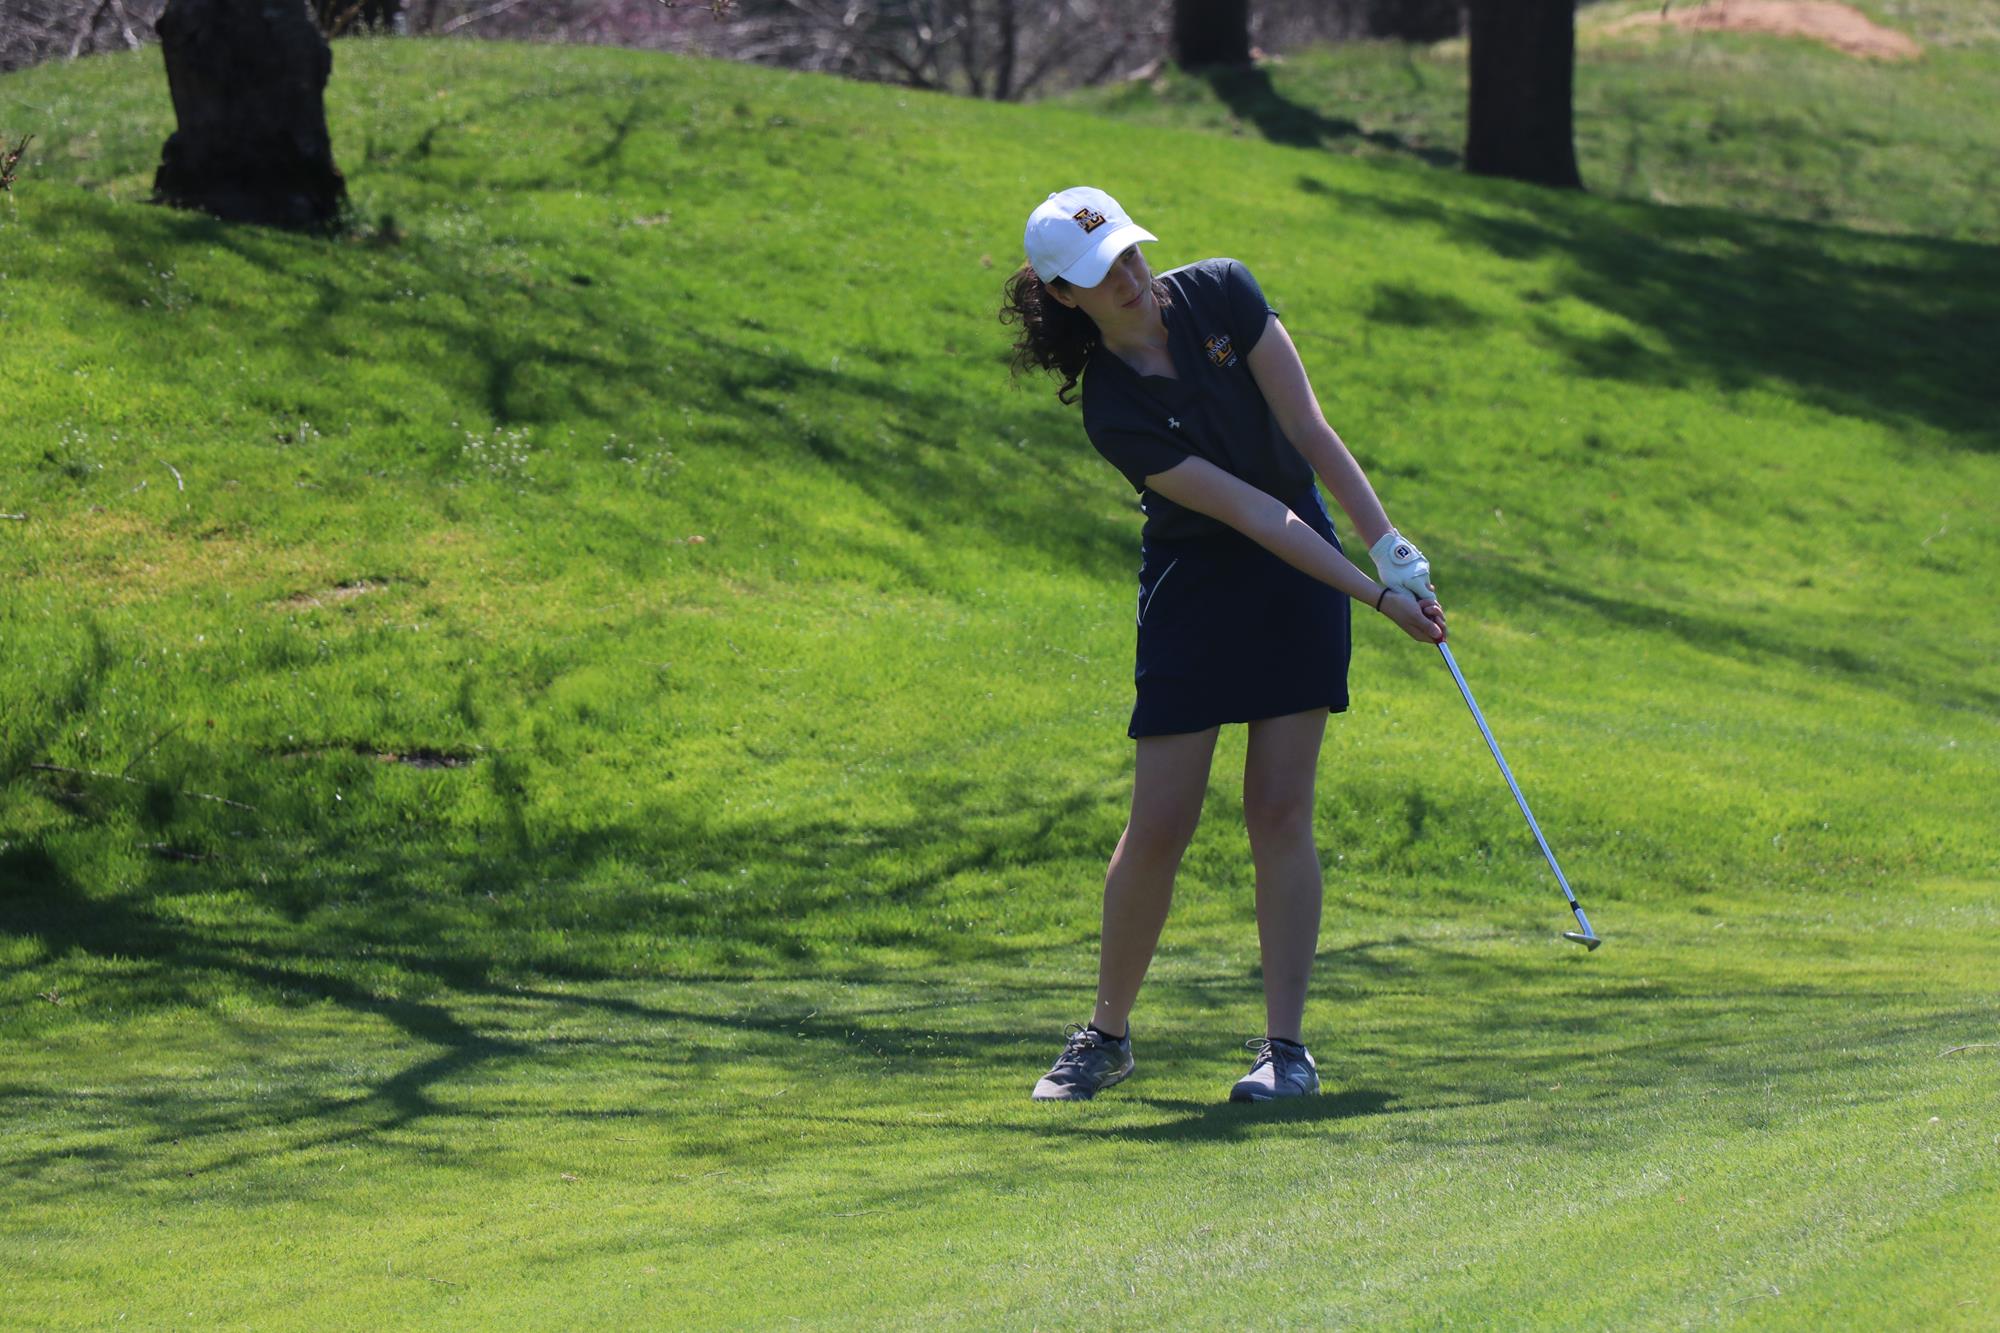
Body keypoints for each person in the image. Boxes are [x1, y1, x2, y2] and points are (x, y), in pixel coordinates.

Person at [1000, 186, 1448, 1104]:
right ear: (1065, 295)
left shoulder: (1223, 292)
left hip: (1303, 571)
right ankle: (1106, 1035)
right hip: (1198, 586)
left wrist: (1391, 553)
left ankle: (1287, 1051)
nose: (1130, 277)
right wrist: (1373, 598)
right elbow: (1251, 514)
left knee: (1279, 809)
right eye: (1101, 273)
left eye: (1129, 254)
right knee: (1160, 820)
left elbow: (1310, 435)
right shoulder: (1112, 408)